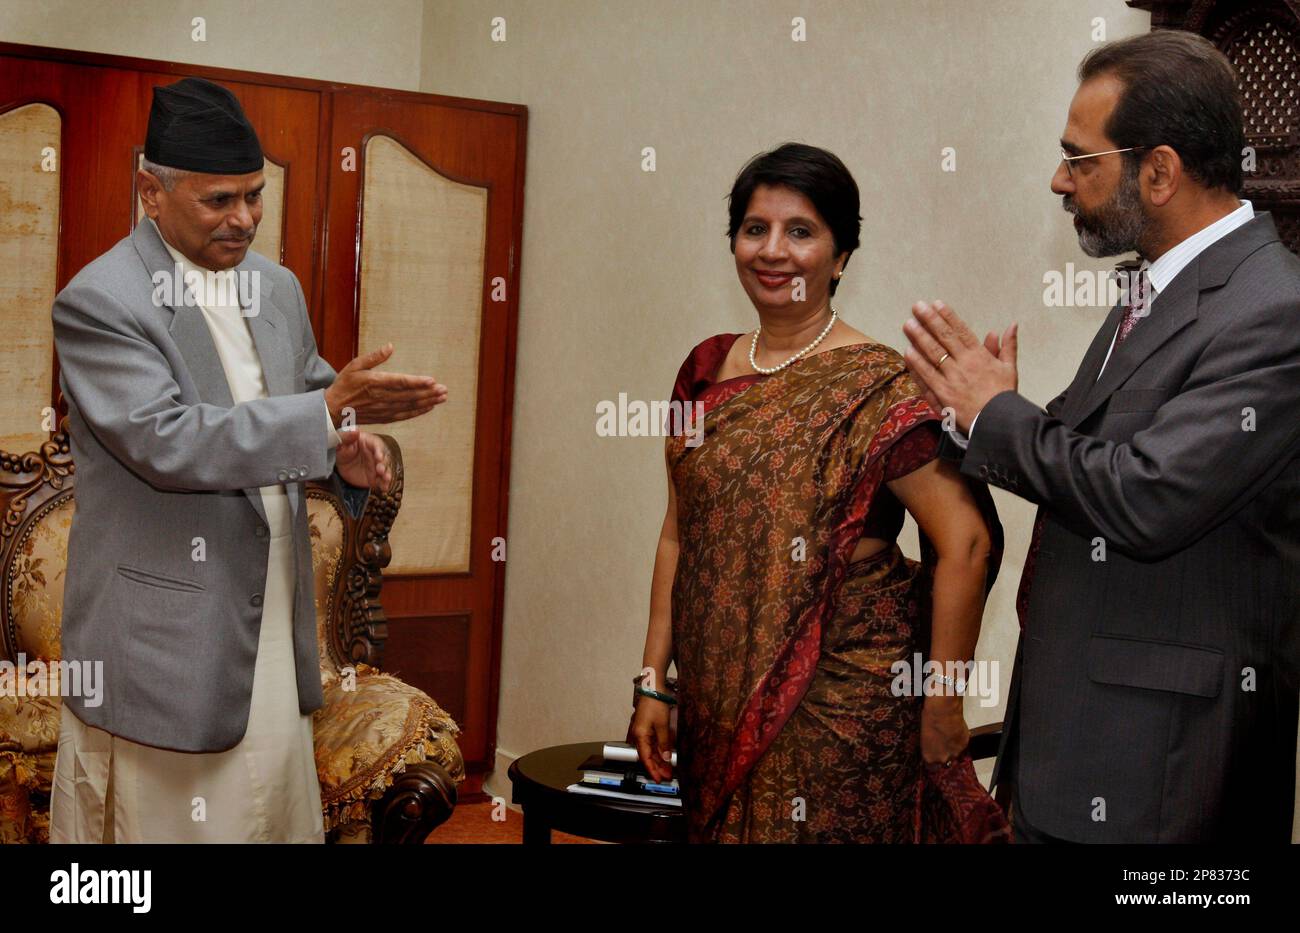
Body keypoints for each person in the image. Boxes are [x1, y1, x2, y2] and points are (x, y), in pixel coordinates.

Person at [902, 31, 1300, 843]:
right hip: (1084, 751)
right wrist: (989, 413)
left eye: (1078, 159)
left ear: (1158, 170)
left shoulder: (1272, 309)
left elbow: (1146, 495)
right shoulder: (1157, 289)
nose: (1059, 180)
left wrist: (999, 417)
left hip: (1164, 776)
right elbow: (1097, 465)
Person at [48, 76, 448, 843]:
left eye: (255, 196)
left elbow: (307, 403)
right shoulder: (101, 301)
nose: (245, 220)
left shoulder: (276, 288)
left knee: (268, 818)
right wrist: (325, 415)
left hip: (271, 621)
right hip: (166, 638)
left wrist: (348, 454)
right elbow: (171, 440)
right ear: (150, 193)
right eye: (219, 200)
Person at [628, 142, 1005, 843]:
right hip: (717, 692)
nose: (773, 250)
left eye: (800, 231)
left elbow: (968, 541)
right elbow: (679, 532)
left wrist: (942, 704)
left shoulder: (878, 384)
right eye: (754, 228)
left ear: (839, 257)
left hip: (839, 698)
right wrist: (653, 678)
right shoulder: (705, 370)